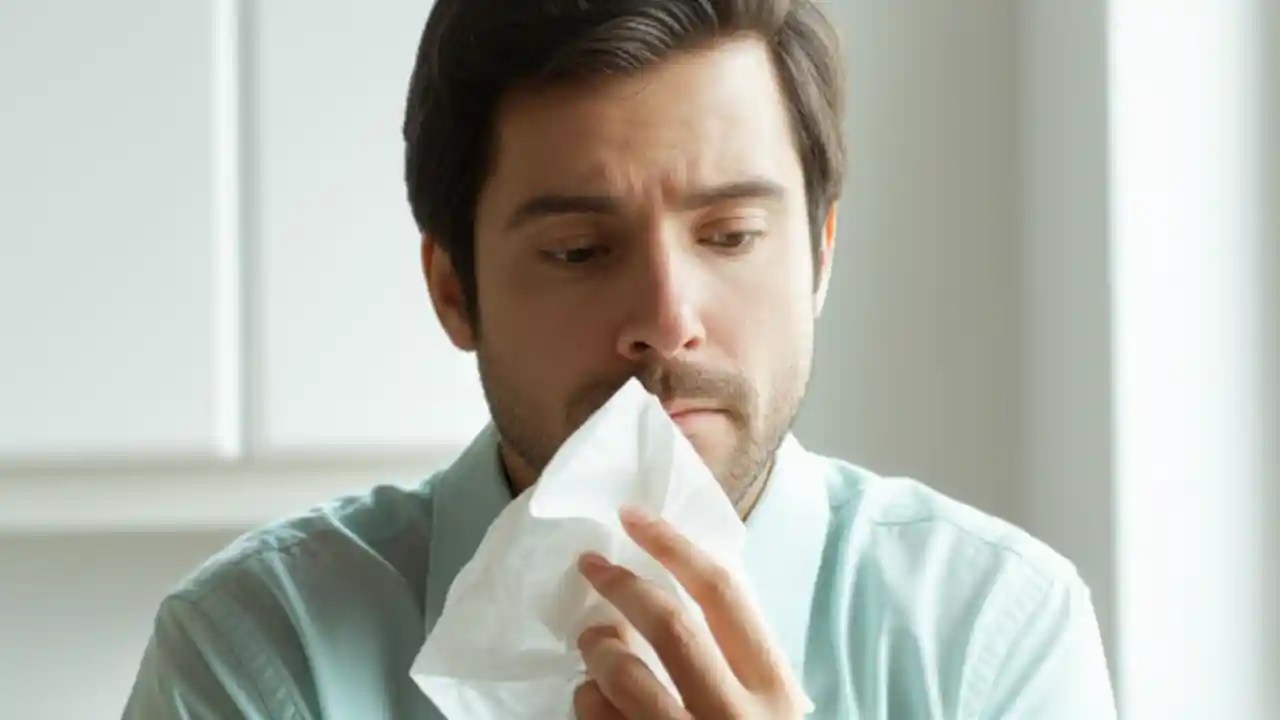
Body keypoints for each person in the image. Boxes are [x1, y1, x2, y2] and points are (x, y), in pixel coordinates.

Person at [124, 1, 1116, 717]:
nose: (665, 320)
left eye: (729, 236)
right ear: (454, 290)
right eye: (578, 252)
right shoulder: (264, 649)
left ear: (818, 256)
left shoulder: (986, 632)